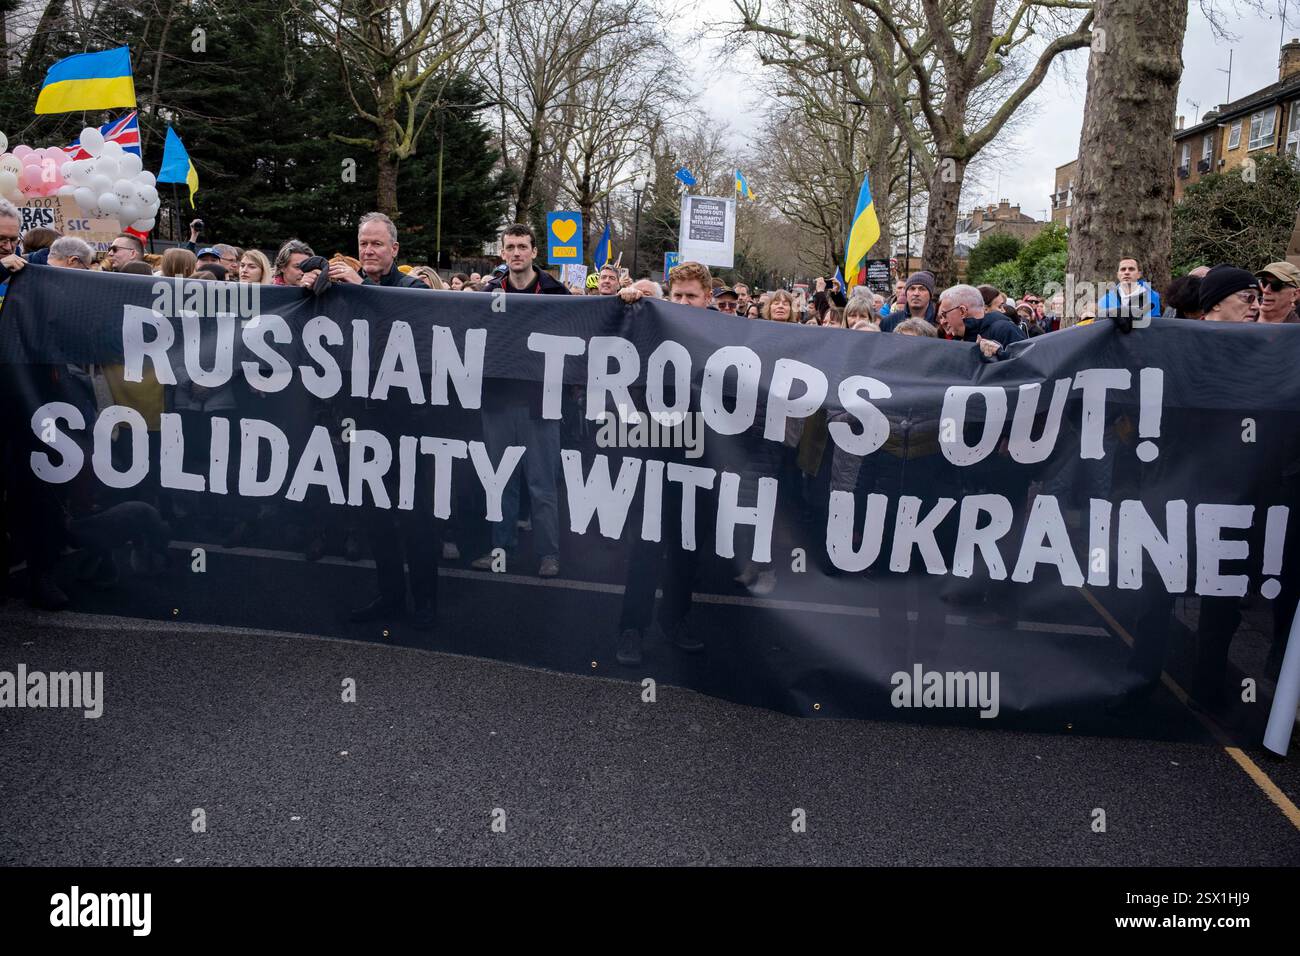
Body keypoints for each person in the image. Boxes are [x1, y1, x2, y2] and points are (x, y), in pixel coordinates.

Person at [471, 224, 568, 580]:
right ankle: (501, 550)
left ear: (533, 252)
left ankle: (549, 554)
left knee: (542, 484)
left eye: (522, 246)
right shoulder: (489, 292)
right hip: (498, 400)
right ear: (502, 253)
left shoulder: (557, 293)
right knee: (501, 481)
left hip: (541, 403)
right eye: (510, 247)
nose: (516, 253)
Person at [934, 283, 1027, 358]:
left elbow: (1028, 367)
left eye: (944, 315)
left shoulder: (1004, 330)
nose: (942, 322)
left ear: (962, 311)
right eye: (940, 318)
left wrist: (999, 354)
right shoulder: (958, 338)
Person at [1098, 256, 1162, 319]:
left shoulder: (1152, 297)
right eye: (1123, 269)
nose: (1126, 272)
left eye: (1131, 269)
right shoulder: (1106, 300)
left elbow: (1155, 325)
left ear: (1139, 274)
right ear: (1117, 275)